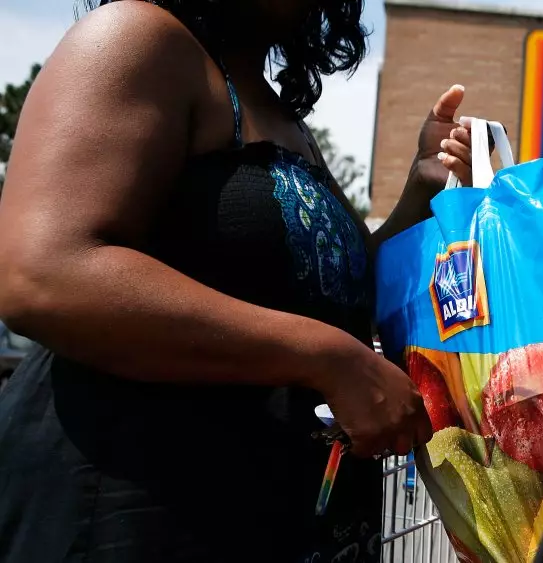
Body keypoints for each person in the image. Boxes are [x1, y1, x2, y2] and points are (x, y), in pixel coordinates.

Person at [0, 1, 481, 561]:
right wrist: (329, 357)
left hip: (274, 518)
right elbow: (44, 272)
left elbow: (331, 288)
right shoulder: (140, 37)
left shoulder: (285, 121)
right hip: (136, 514)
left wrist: (421, 189)